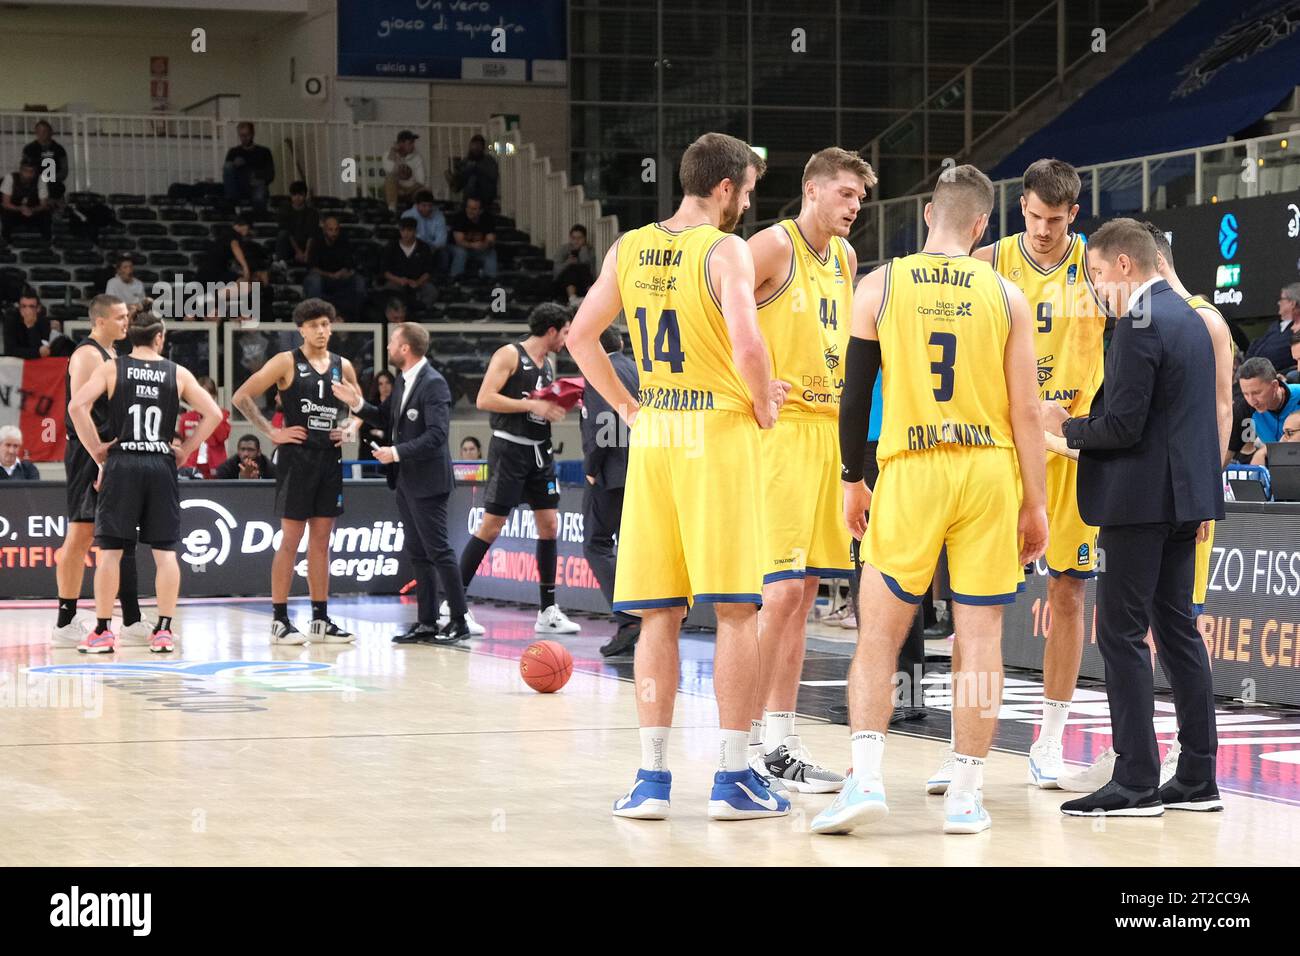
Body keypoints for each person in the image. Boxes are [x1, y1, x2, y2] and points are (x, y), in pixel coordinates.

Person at [811, 164, 1047, 836]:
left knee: (878, 633)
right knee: (980, 639)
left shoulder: (880, 283)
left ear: (926, 218)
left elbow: (853, 397)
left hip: (911, 466)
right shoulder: (1006, 294)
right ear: (982, 226)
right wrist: (1036, 503)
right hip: (987, 469)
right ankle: (968, 794)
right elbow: (1026, 410)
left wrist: (852, 478)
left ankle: (865, 777)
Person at [568, 131, 792, 821]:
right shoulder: (723, 249)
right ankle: (732, 780)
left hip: (660, 434)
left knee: (657, 615)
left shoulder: (629, 247)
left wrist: (630, 407)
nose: (746, 205)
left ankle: (651, 780)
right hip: (716, 434)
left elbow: (581, 335)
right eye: (747, 192)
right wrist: (763, 401)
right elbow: (748, 342)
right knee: (734, 612)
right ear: (725, 188)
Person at [924, 158, 1107, 793]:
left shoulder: (1096, 262)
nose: (1043, 231)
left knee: (1069, 594)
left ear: (1073, 215)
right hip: (1002, 452)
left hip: (1075, 455)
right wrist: (1022, 406)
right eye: (1033, 216)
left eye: (1055, 221)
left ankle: (1050, 743)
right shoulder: (991, 260)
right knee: (974, 610)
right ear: (1018, 208)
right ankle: (960, 748)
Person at [1043, 218, 1224, 816]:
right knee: (1177, 632)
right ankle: (1198, 778)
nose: (1095, 286)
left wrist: (1060, 429)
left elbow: (1122, 426)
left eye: (1096, 273)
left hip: (1140, 503)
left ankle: (1137, 780)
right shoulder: (1196, 318)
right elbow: (1195, 418)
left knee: (1119, 635)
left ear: (1124, 265)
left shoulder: (1137, 323)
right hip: (1184, 500)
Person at [744, 146, 876, 794]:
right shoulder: (771, 247)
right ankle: (740, 741)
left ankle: (780, 741)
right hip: (782, 434)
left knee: (802, 597)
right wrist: (752, 386)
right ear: (813, 188)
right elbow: (717, 311)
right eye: (847, 193)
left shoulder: (847, 261)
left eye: (860, 198)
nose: (855, 207)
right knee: (777, 592)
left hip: (830, 434)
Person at [68, 310, 224, 653]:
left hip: (122, 463)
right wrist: (185, 450)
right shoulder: (177, 372)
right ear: (160, 338)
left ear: (130, 338)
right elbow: (213, 412)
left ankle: (104, 631)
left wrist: (97, 451)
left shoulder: (113, 367)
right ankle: (164, 630)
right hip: (160, 463)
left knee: (109, 553)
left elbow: (77, 405)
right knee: (165, 554)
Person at [231, 298, 362, 645]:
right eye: (314, 325)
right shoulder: (286, 361)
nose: (322, 331)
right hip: (296, 460)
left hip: (328, 460)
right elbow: (241, 396)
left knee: (321, 542)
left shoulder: (342, 365)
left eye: (326, 324)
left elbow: (359, 408)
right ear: (301, 329)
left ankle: (320, 620)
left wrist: (349, 428)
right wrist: (271, 432)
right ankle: (279, 620)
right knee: (290, 540)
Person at [336, 322, 472, 644]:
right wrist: (355, 403)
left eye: (393, 342)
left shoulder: (434, 384)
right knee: (419, 554)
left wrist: (395, 452)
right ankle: (426, 622)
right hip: (407, 482)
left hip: (429, 481)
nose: (387, 347)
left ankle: (459, 620)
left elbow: (437, 436)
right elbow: (385, 418)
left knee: (439, 551)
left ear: (406, 348)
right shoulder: (403, 380)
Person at [453, 302, 580, 636]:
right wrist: (532, 404)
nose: (567, 339)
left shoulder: (549, 364)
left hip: (540, 452)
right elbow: (484, 399)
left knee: (550, 525)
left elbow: (539, 404)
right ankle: (453, 606)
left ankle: (547, 610)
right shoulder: (509, 355)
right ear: (552, 330)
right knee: (491, 527)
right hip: (509, 450)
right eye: (565, 332)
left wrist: (556, 405)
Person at [52, 296, 153, 648]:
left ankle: (133, 618)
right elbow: (79, 411)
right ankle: (65, 621)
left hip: (112, 451)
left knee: (121, 536)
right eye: (120, 317)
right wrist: (99, 460)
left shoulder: (113, 356)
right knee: (81, 535)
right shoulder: (87, 354)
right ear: (100, 321)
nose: (126, 322)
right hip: (88, 453)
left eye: (127, 316)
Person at [579, 326, 641, 657]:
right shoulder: (635, 366)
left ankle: (630, 619)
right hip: (643, 466)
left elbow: (604, 419)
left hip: (612, 470)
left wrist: (591, 468)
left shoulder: (599, 368)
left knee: (596, 543)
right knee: (631, 546)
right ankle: (651, 615)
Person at [1237, 357, 1300, 464]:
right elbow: (1241, 447)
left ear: (1275, 386)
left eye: (1257, 392)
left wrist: (1265, 450)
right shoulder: (1246, 408)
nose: (1252, 401)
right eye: (1245, 394)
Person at [304, 216, 366, 319]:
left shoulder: (344, 242)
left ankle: (356, 318)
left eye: (336, 230)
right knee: (314, 280)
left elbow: (349, 265)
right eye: (331, 230)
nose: (334, 233)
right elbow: (312, 268)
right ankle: (315, 316)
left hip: (340, 278)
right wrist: (329, 275)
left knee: (359, 281)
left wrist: (343, 272)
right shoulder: (316, 243)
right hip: (322, 278)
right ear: (324, 230)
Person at [177, 376, 231, 479]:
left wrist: (209, 416)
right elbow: (181, 441)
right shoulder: (186, 418)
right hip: (191, 465)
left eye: (208, 395)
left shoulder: (222, 415)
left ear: (214, 396)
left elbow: (222, 436)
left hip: (215, 465)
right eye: (201, 396)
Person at [381, 219, 438, 310]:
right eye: (403, 230)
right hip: (397, 281)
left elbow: (428, 271)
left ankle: (421, 310)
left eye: (409, 230)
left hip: (418, 281)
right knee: (389, 289)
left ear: (415, 231)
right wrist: (398, 280)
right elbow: (385, 271)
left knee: (431, 291)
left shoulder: (424, 247)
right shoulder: (391, 246)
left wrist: (418, 282)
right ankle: (396, 311)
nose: (405, 234)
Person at [1243, 283, 1299, 372]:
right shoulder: (1274, 326)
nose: (1279, 302)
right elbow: (1254, 345)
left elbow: (1279, 353)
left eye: (1282, 299)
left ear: (1292, 303)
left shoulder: (1296, 330)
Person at [223, 122, 275, 208]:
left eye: (247, 135)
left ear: (252, 134)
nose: (244, 138)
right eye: (242, 135)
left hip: (256, 184)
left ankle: (259, 217)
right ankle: (231, 201)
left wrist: (257, 177)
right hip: (238, 186)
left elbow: (271, 174)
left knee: (260, 193)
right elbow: (227, 172)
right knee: (228, 165)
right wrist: (234, 165)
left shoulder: (264, 152)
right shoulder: (233, 152)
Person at [1, 159, 52, 242]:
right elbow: (5, 203)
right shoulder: (10, 178)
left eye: (32, 171)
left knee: (46, 213)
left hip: (33, 212)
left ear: (35, 172)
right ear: (20, 170)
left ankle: (46, 241)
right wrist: (20, 208)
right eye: (25, 171)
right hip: (15, 211)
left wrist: (32, 210)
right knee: (5, 211)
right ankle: (6, 241)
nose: (28, 174)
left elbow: (43, 204)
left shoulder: (40, 180)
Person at [400, 191, 450, 275]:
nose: (427, 209)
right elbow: (408, 237)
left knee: (444, 253)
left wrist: (431, 248)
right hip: (415, 247)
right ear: (417, 205)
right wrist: (424, 247)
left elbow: (442, 240)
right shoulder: (407, 215)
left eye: (430, 205)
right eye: (424, 205)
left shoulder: (439, 216)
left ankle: (441, 279)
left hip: (434, 248)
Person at [449, 197, 498, 278]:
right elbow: (459, 241)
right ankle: (455, 280)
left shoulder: (488, 218)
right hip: (456, 247)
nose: (470, 211)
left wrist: (484, 245)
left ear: (481, 211)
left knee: (491, 253)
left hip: (479, 248)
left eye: (474, 209)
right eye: (468, 207)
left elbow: (491, 240)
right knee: (461, 252)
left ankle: (490, 281)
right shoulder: (459, 217)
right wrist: (473, 245)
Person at [21, 119, 69, 203]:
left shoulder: (58, 149)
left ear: (51, 132)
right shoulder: (29, 149)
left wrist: (49, 179)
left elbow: (64, 171)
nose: (42, 134)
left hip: (54, 190)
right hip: (34, 190)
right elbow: (24, 169)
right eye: (39, 131)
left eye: (45, 131)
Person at [448, 133, 499, 207]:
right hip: (468, 199)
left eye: (478, 145)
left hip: (485, 195)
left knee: (472, 174)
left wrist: (477, 168)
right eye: (474, 145)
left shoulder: (489, 160)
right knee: (466, 171)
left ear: (482, 148)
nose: (475, 148)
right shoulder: (466, 161)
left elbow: (493, 176)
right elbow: (460, 179)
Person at [276, 181, 319, 268]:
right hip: (290, 245)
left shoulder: (312, 212)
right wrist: (298, 252)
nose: (297, 198)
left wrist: (306, 253)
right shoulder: (285, 210)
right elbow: (288, 233)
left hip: (305, 244)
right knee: (283, 234)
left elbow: (312, 234)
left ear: (305, 196)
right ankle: (282, 261)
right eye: (294, 195)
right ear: (291, 196)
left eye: (300, 195)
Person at [384, 130, 427, 212]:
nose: (413, 145)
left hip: (412, 189)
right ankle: (392, 211)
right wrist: (393, 151)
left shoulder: (417, 157)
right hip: (396, 188)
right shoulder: (388, 154)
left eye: (413, 143)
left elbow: (421, 181)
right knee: (389, 179)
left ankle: (420, 213)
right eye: (410, 143)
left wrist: (407, 192)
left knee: (426, 191)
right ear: (401, 144)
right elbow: (389, 170)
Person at [553, 224, 595, 304]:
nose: (576, 241)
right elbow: (556, 272)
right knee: (572, 268)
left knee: (581, 267)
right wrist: (567, 263)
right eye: (573, 238)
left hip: (582, 284)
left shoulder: (588, 250)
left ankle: (591, 297)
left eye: (579, 238)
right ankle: (572, 298)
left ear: (584, 239)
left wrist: (583, 250)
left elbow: (590, 269)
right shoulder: (563, 249)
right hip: (563, 285)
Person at [4, 291, 52, 358]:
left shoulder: (44, 322)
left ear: (38, 308)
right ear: (19, 308)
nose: (27, 310)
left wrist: (31, 327)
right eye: (23, 306)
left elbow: (43, 349)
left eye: (31, 306)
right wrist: (36, 352)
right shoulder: (11, 321)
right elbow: (10, 350)